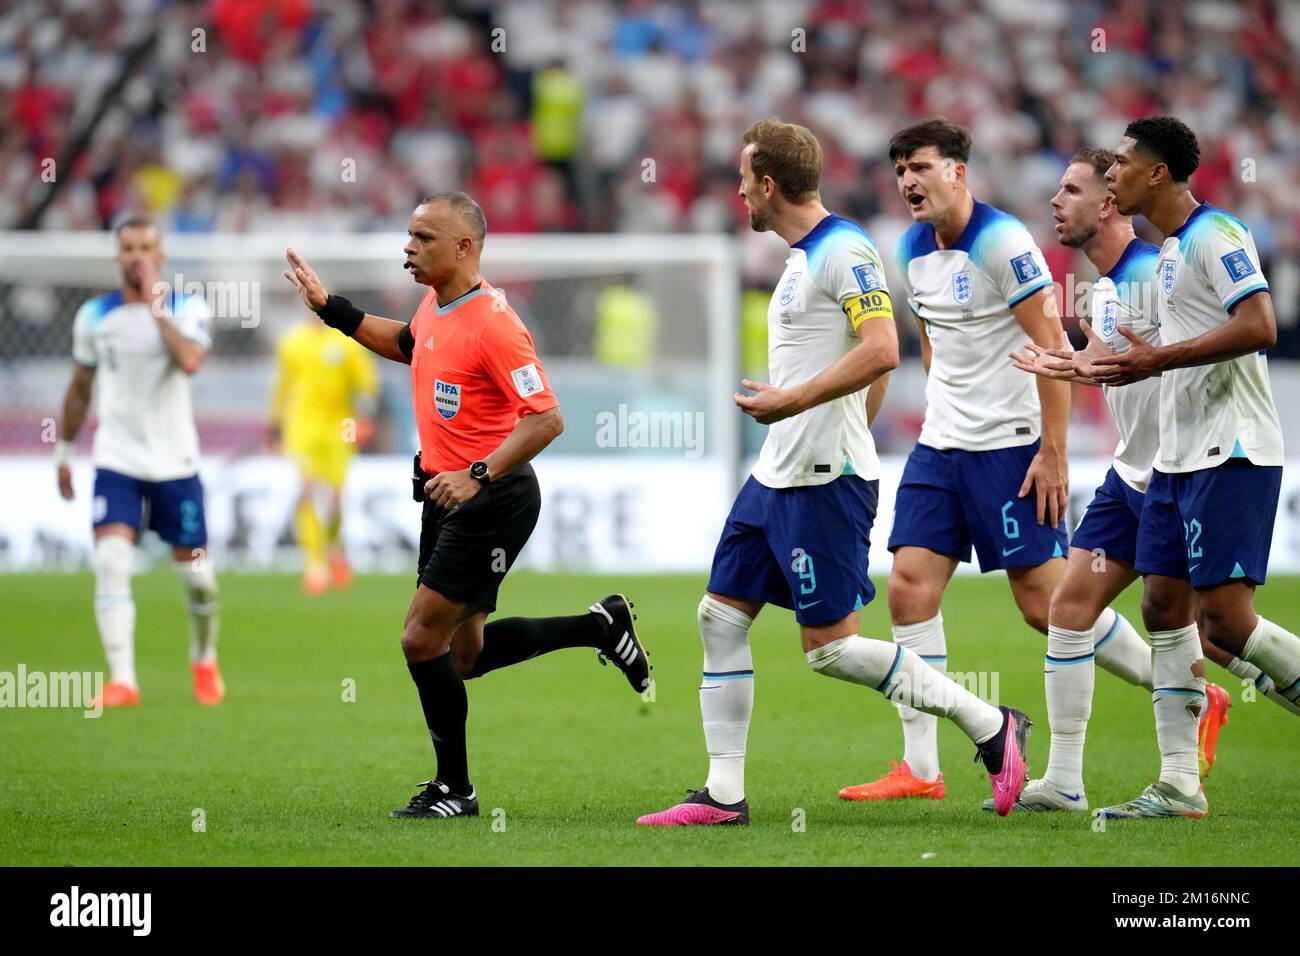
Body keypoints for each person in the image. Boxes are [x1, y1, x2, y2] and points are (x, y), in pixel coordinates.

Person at [638, 119, 1032, 827]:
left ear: (768, 184)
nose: (736, 193)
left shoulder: (843, 249)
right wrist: (820, 411)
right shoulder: (799, 257)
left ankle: (989, 724)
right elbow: (859, 366)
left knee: (831, 651)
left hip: (822, 478)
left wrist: (802, 406)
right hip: (777, 473)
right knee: (718, 617)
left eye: (743, 178)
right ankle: (723, 795)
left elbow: (883, 349)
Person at [282, 191, 651, 820]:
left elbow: (547, 419)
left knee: (420, 639)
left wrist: (477, 474)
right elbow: (405, 343)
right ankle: (601, 626)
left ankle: (455, 789)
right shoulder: (435, 303)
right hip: (446, 494)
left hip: (493, 498)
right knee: (465, 656)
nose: (408, 247)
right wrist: (331, 310)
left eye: (423, 237)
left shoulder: (496, 326)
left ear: (465, 247)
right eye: (409, 235)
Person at [841, 120, 1151, 803]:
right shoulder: (912, 247)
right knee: (907, 588)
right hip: (941, 447)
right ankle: (921, 768)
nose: (908, 182)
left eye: (921, 167)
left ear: (957, 170)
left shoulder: (1004, 241)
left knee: (1046, 607)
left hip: (1010, 447)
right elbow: (929, 338)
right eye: (899, 171)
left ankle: (1180, 687)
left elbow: (1053, 344)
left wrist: (1054, 449)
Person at [1004, 147, 1232, 812]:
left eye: (1071, 190)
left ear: (1109, 202)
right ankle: (1066, 782)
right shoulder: (1104, 290)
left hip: (1179, 476)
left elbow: (1202, 359)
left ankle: (1179, 778)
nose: (1055, 201)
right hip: (1130, 476)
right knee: (1067, 613)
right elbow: (1110, 363)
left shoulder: (1158, 275)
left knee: (1216, 631)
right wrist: (1067, 362)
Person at [1086, 116, 1296, 818]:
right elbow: (1177, 344)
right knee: (1161, 607)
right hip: (1177, 460)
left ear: (1156, 173)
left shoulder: (1217, 236)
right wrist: (1111, 359)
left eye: (1120, 163)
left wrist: (1157, 356)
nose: (1110, 174)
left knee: (1228, 624)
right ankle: (1179, 783)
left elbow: (1260, 326)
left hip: (1231, 450)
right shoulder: (1172, 252)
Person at [57, 216, 223, 708]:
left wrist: (156, 306)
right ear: (116, 257)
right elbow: (80, 388)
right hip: (117, 459)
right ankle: (124, 680)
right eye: (127, 248)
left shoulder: (189, 308)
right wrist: (64, 450)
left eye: (145, 247)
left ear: (161, 254)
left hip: (176, 462)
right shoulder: (93, 316)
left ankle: (204, 656)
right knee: (110, 560)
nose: (136, 256)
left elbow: (190, 361)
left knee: (198, 581)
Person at [268, 315, 379, 594]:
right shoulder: (293, 342)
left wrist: (364, 416)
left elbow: (365, 382)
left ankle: (332, 547)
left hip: (341, 427)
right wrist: (274, 422)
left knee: (337, 499)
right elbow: (282, 385)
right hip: (302, 426)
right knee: (307, 491)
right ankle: (314, 564)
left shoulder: (347, 341)